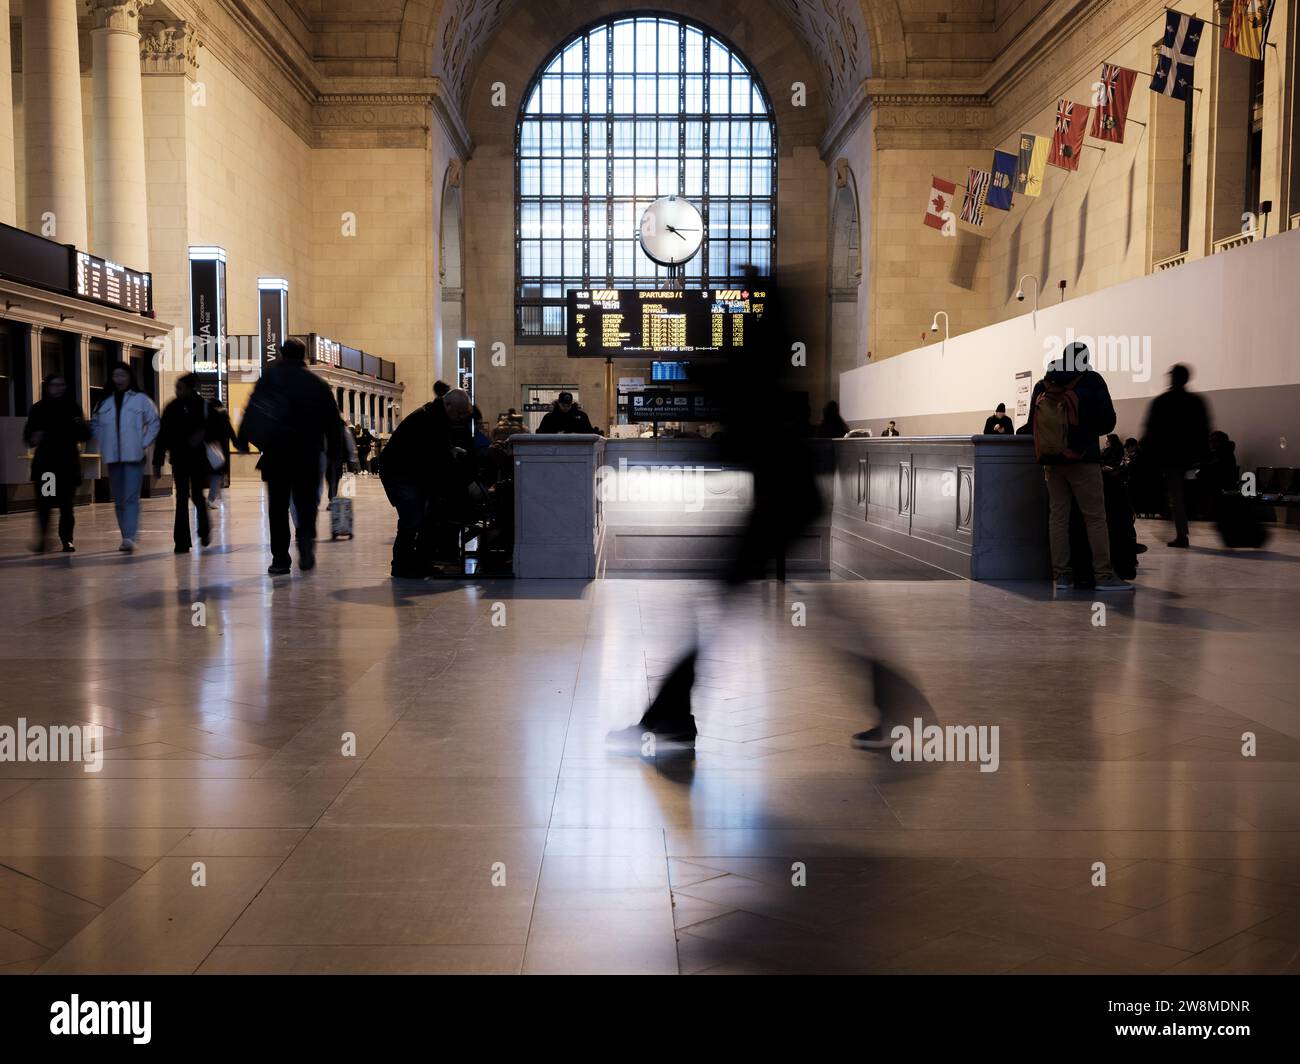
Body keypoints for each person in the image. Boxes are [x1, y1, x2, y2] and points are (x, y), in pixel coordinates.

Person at [1028, 342, 1133, 591]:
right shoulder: (1092, 381)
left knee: (1058, 517)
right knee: (1095, 518)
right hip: (1083, 459)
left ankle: (1062, 576)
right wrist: (1083, 434)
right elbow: (1108, 421)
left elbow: (1032, 422)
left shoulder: (1045, 383)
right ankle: (1104, 576)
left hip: (1052, 461)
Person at [236, 338, 343, 575]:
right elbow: (333, 422)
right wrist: (336, 453)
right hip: (307, 454)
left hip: (277, 454)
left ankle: (281, 558)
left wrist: (243, 438)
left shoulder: (270, 379)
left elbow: (253, 407)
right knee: (306, 504)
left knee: (278, 507)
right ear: (304, 355)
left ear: (282, 354)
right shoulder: (317, 384)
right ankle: (305, 544)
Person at [379, 388, 474, 578]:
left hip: (408, 473)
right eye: (459, 412)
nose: (461, 417)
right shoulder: (429, 418)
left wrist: (451, 450)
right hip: (400, 473)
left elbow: (434, 449)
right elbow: (433, 454)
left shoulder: (435, 415)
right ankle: (401, 566)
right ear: (447, 405)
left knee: (419, 518)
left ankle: (415, 563)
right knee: (411, 519)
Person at [91, 361, 160, 553]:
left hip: (134, 457)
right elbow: (95, 424)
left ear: (130, 378)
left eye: (123, 375)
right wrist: (103, 440)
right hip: (113, 458)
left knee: (130, 498)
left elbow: (154, 423)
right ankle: (125, 536)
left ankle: (130, 536)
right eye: (116, 376)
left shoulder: (140, 400)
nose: (119, 379)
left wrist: (143, 442)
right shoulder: (104, 402)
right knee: (119, 499)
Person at [1141, 364, 1210, 547]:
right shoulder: (1195, 402)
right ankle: (1182, 530)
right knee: (1180, 496)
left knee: (1176, 496)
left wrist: (1149, 455)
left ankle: (1181, 533)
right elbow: (1203, 430)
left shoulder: (1163, 401)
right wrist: (1202, 456)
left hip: (1169, 458)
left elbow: (1151, 431)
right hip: (1188, 457)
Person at [23, 373, 91, 553]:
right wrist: (34, 437)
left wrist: (77, 430)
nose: (59, 388)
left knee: (66, 505)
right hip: (47, 467)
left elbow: (85, 434)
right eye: (55, 385)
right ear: (47, 387)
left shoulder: (72, 408)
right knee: (45, 503)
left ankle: (67, 539)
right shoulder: (38, 409)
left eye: (62, 385)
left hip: (67, 465)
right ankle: (44, 538)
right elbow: (28, 437)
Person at [154, 374, 215, 553]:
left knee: (196, 495)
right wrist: (157, 461)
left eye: (180, 387)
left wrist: (202, 435)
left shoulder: (203, 406)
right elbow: (163, 435)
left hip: (198, 460)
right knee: (181, 498)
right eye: (176, 387)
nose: (177, 391)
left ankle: (204, 529)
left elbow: (215, 430)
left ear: (190, 388)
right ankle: (181, 540)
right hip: (179, 459)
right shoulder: (172, 407)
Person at [206, 398, 237, 507]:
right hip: (219, 453)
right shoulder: (223, 417)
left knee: (214, 475)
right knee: (216, 475)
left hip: (208, 451)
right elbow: (231, 432)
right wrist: (237, 443)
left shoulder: (206, 418)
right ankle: (211, 499)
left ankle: (212, 496)